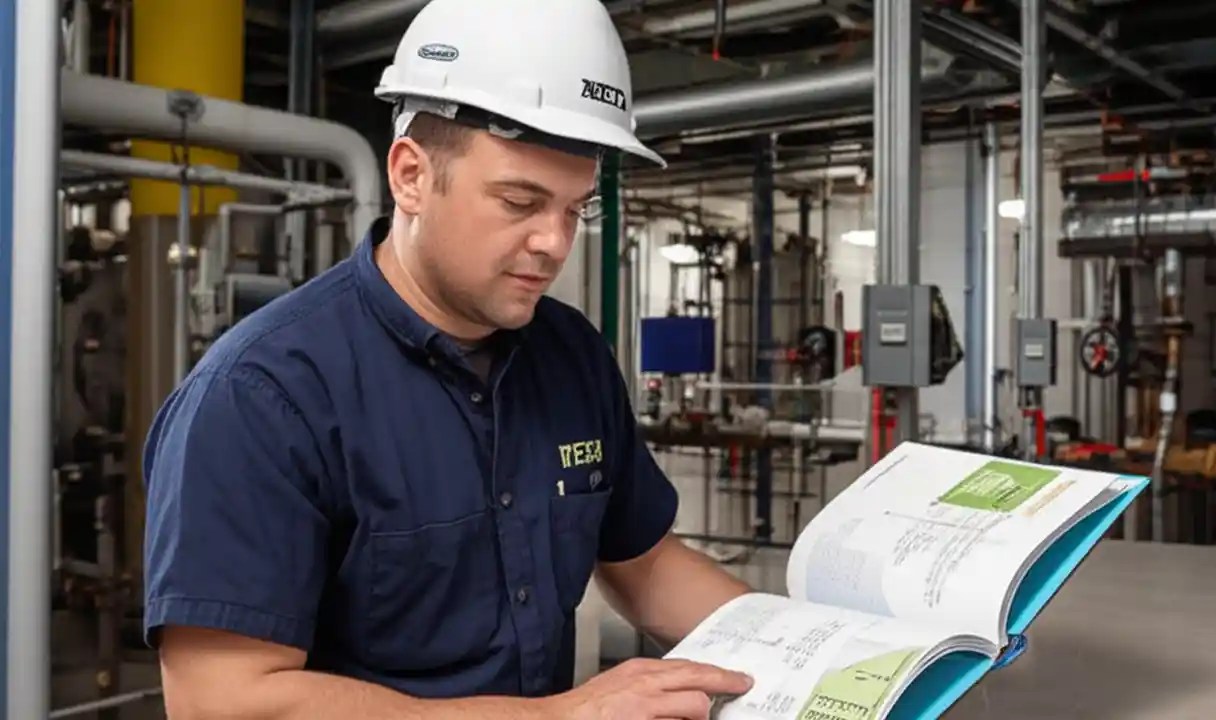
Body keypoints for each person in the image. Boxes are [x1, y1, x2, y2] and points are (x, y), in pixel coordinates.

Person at [142, 0, 757, 717]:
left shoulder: (571, 355)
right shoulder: (262, 394)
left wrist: (822, 648)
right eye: (520, 201)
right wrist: (553, 717)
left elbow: (646, 566)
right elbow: (222, 701)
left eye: (574, 208)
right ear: (410, 176)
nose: (555, 243)